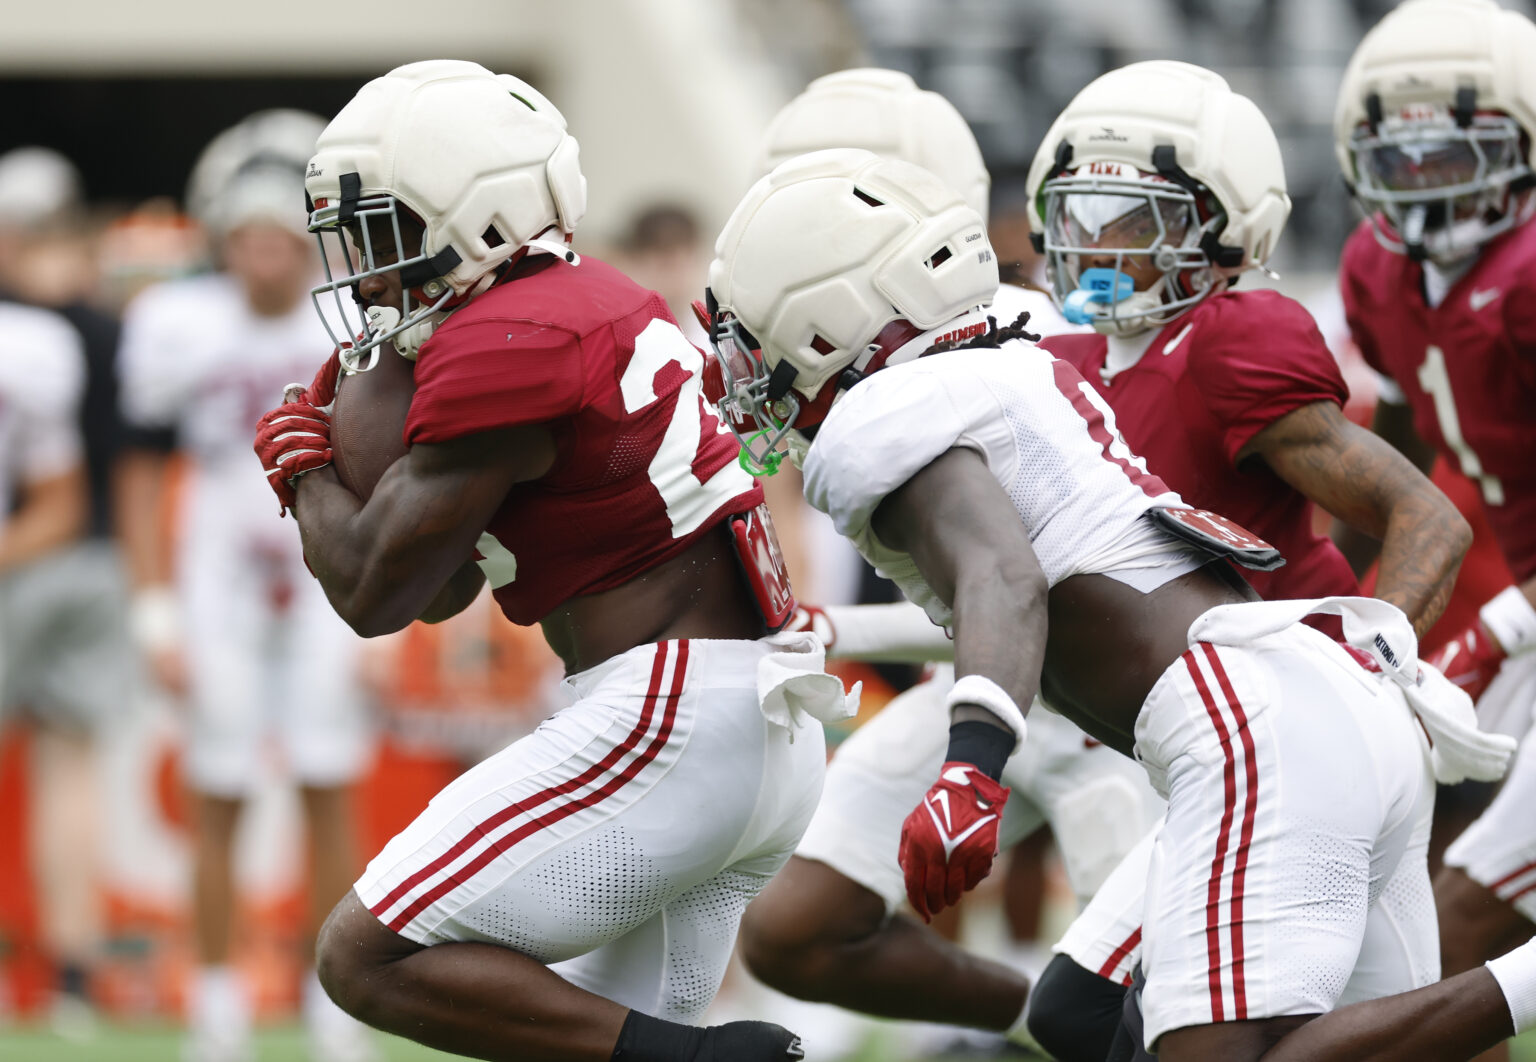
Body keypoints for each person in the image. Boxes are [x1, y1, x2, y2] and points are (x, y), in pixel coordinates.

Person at [703, 130, 1534, 1059]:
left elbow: (1004, 577)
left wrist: (971, 770)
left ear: (829, 316)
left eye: (751, 333)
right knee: (1083, 1014)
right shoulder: (1008, 359)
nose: (742, 368)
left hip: (1248, 721)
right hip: (1313, 701)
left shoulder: (888, 415)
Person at [253, 60, 844, 1062]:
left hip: (671, 714)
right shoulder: (587, 304)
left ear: (484, 220)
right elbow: (440, 593)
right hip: (747, 717)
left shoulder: (513, 336)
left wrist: (305, 476)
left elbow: (369, 592)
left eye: (388, 230)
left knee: (367, 956)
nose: (369, 268)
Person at [1016, 57, 1474, 1060]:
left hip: (1285, 728)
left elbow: (1427, 519)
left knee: (1096, 1011)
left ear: (1220, 226)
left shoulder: (1229, 339)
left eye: (1130, 218)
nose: (1095, 245)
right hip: (1227, 733)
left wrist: (1360, 667)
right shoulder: (1060, 361)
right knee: (1387, 1031)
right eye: (1079, 215)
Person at [733, 68, 1156, 1045]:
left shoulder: (1046, 334)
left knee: (1163, 1012)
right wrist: (837, 626)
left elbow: (1017, 580)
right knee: (795, 931)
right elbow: (987, 602)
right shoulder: (881, 366)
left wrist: (971, 764)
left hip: (1122, 717)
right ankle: (1032, 1024)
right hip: (1009, 691)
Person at [116, 110, 376, 1062]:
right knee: (216, 792)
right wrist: (152, 607)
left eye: (281, 236)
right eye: (247, 236)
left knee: (327, 782)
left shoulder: (353, 320)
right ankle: (216, 1011)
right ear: (219, 236)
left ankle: (331, 1011)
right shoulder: (174, 322)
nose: (265, 255)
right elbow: (141, 471)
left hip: (326, 573)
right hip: (214, 573)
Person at [1333, 3, 1536, 1059]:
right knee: (1400, 928)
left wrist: (1499, 622)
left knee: (1446, 940)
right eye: (1398, 156)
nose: (1427, 179)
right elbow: (1406, 447)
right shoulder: (1379, 272)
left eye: (1454, 150)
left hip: (1528, 610)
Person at [0, 144, 131, 1036]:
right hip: (97, 561)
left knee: (67, 773)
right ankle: (76, 976)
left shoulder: (28, 332)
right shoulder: (113, 325)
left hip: (24, 555)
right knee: (70, 773)